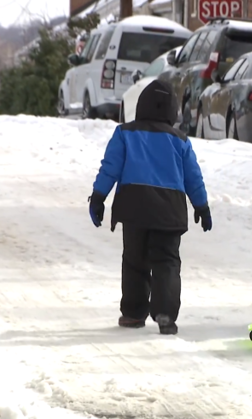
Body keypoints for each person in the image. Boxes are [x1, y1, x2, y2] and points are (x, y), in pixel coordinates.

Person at [88, 79, 212, 336]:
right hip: (169, 210)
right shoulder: (180, 140)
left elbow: (110, 167)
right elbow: (193, 177)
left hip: (134, 207)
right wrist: (202, 206)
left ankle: (133, 313)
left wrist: (99, 196)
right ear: (173, 111)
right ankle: (165, 313)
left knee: (134, 260)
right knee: (167, 262)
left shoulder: (125, 133)